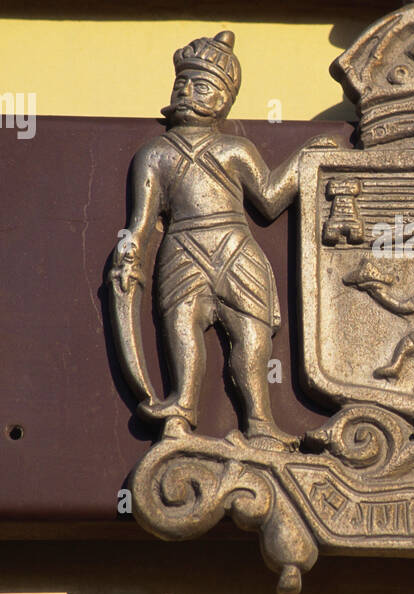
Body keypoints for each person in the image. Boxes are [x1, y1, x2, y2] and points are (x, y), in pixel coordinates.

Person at [110, 31, 334, 447]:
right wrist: (129, 251)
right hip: (183, 250)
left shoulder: (235, 149)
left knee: (252, 337)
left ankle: (259, 422)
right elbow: (140, 221)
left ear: (222, 99)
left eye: (201, 86)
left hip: (236, 249)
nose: (186, 92)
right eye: (181, 84)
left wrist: (305, 161)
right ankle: (180, 411)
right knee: (182, 328)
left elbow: (270, 199)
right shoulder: (155, 154)